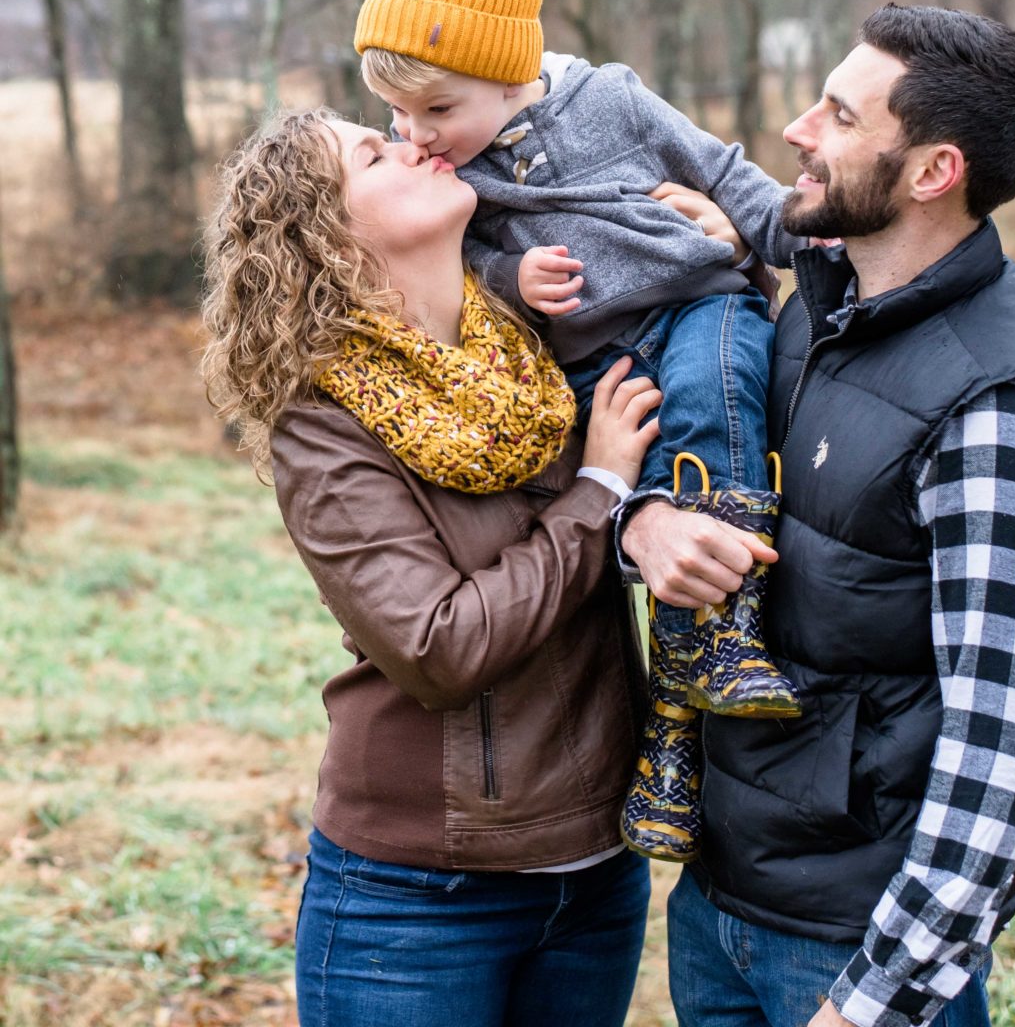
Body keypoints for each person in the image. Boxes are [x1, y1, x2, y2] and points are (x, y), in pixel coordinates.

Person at [354, 0, 803, 862]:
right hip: (590, 356)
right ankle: (676, 719)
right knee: (639, 465)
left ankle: (710, 648)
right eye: (393, 112)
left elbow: (725, 172)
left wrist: (804, 244)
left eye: (437, 107)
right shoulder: (439, 168)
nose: (415, 135)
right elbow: (453, 263)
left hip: (693, 300)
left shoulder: (613, 103)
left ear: (511, 76)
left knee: (714, 405)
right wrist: (511, 271)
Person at [201, 104, 669, 1027]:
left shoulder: (539, 345)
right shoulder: (324, 422)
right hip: (417, 898)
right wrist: (601, 488)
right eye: (374, 154)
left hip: (600, 869)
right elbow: (438, 645)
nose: (413, 140)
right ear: (326, 237)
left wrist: (720, 222)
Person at [623, 3, 1015, 1027]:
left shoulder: (993, 398)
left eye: (839, 117)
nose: (797, 131)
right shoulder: (811, 307)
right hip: (717, 909)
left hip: (852, 957)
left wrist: (874, 1000)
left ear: (933, 172)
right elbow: (699, 479)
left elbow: (1004, 747)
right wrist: (645, 525)